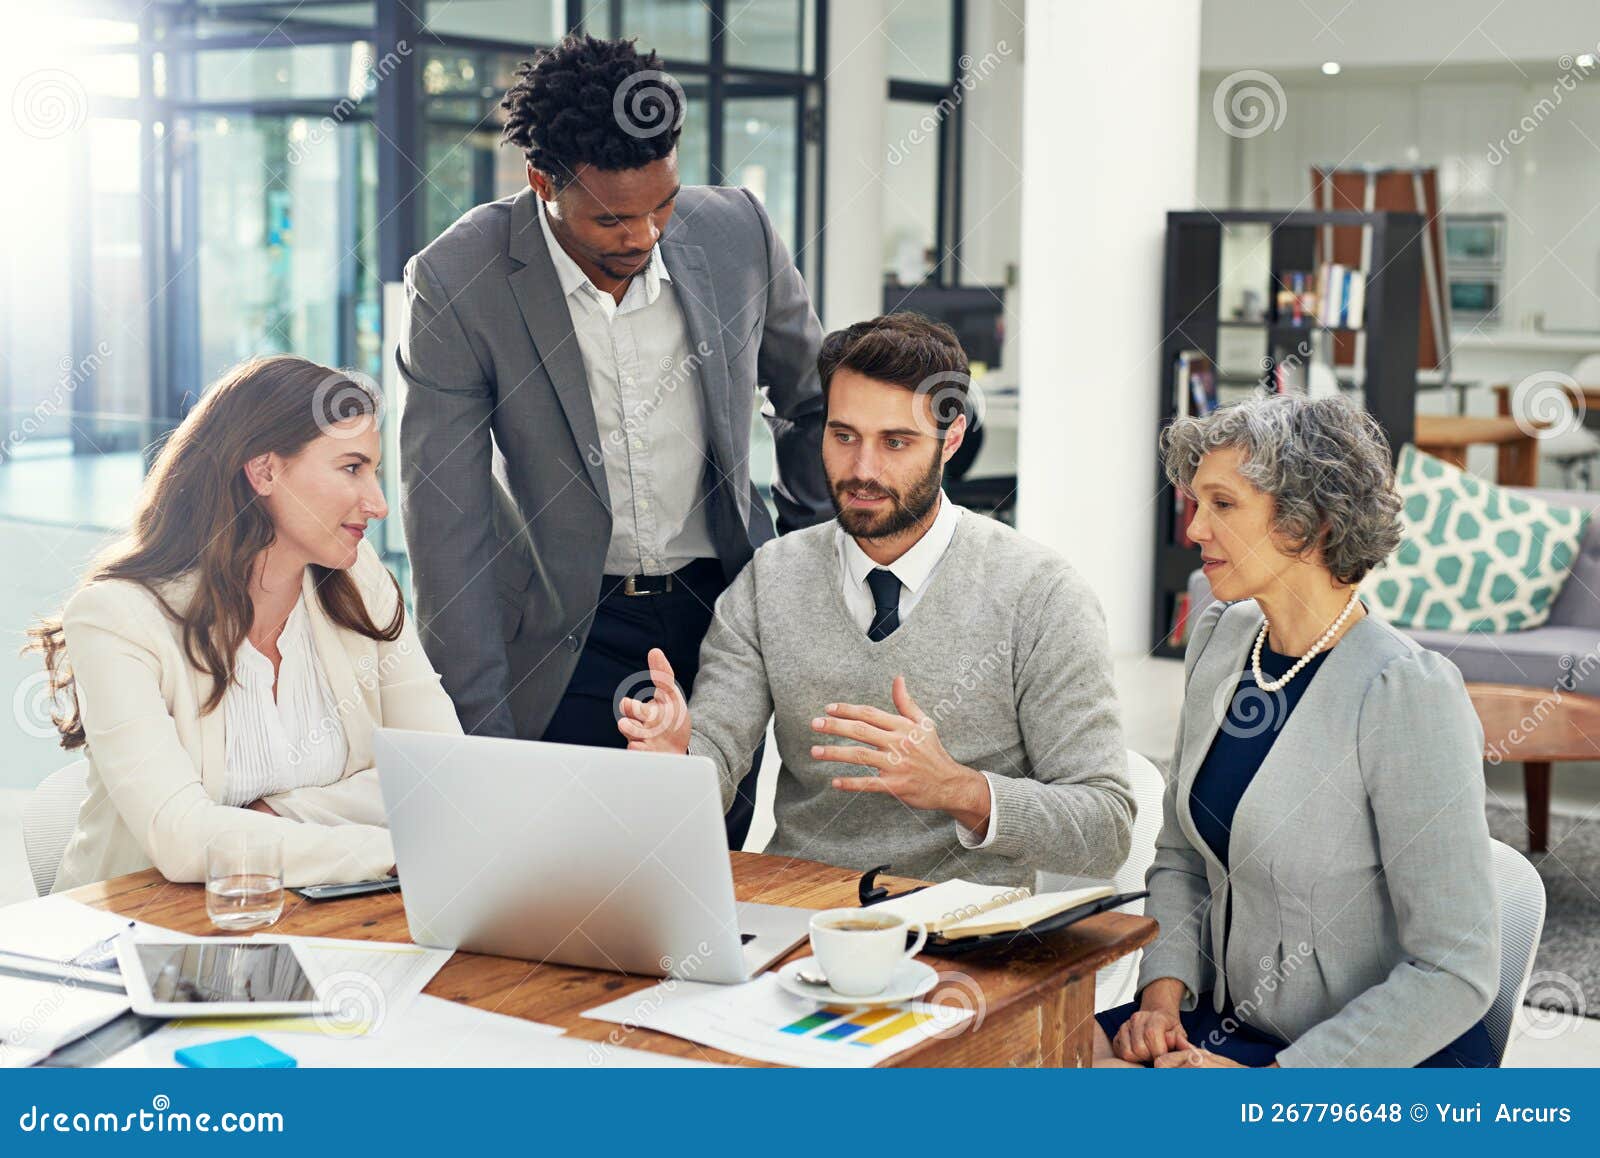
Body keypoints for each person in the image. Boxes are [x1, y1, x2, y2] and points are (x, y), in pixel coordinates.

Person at [397, 35, 831, 849]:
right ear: (542, 183)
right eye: (610, 217)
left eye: (660, 204)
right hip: (563, 628)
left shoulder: (736, 231)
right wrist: (482, 741)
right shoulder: (459, 279)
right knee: (563, 877)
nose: (643, 235)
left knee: (702, 864)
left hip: (719, 617)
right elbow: (444, 525)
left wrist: (806, 560)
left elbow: (811, 400)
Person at [616, 313, 1133, 888]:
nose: (862, 471)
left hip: (967, 940)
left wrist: (959, 790)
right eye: (844, 436)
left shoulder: (1042, 595)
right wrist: (675, 763)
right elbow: (716, 756)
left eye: (896, 442)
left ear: (951, 438)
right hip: (797, 915)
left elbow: (1106, 830)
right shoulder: (771, 579)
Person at [1094, 394, 1499, 1068]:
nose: (1194, 530)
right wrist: (1161, 1001)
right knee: (1031, 1053)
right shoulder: (1220, 637)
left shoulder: (1405, 692)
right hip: (1215, 1021)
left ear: (1307, 521)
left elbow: (1456, 968)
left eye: (1223, 505)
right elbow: (1181, 856)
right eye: (1196, 504)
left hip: (1361, 1056)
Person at [32, 356, 462, 892]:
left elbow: (442, 770)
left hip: (322, 915)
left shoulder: (358, 582)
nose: (376, 503)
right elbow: (183, 840)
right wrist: (386, 851)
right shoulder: (115, 617)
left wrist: (273, 817)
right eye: (352, 468)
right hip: (144, 935)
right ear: (264, 471)